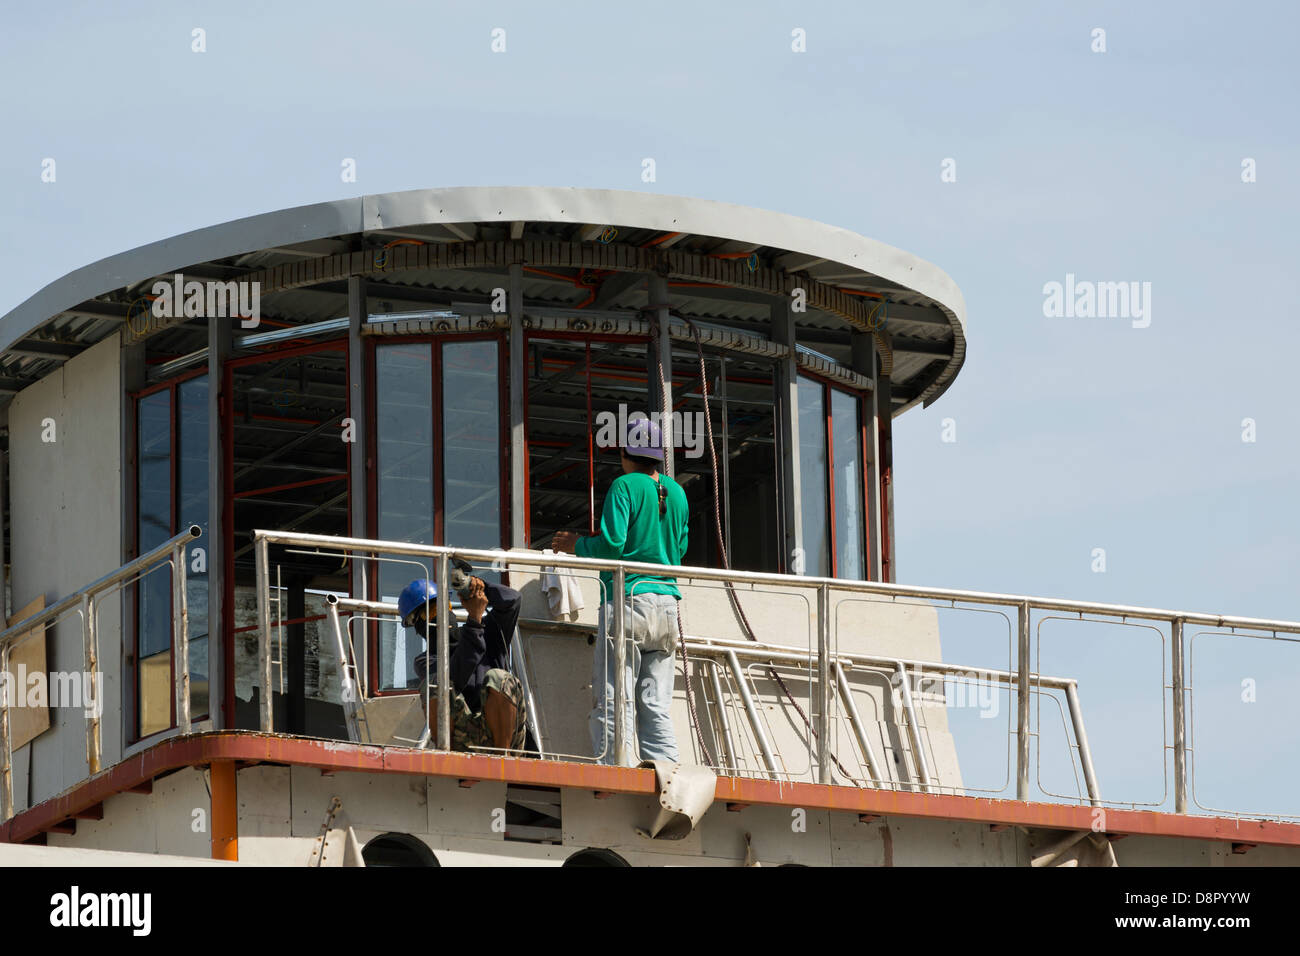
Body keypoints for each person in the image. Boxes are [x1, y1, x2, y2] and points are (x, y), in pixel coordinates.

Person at [552, 416, 689, 766]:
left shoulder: (624, 486)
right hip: (667, 608)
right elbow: (680, 546)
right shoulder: (677, 492)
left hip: (629, 602)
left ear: (626, 453)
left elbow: (613, 545)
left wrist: (577, 546)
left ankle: (615, 774)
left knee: (615, 698)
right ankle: (668, 775)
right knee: (655, 704)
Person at [399, 571, 528, 755]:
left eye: (445, 606)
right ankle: (448, 755)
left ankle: (502, 761)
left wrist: (477, 586)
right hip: (463, 741)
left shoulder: (488, 634)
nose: (442, 615)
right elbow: (458, 675)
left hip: (504, 737)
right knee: (435, 684)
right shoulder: (426, 661)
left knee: (499, 678)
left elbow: (513, 600)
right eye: (433, 612)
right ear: (418, 624)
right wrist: (474, 621)